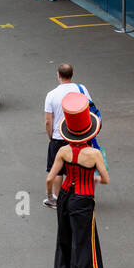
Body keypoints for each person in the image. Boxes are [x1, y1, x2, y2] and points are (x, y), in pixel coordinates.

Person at [45, 92, 111, 268]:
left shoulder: (62, 151)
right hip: (84, 204)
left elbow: (51, 178)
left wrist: (52, 196)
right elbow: (105, 180)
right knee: (84, 260)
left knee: (64, 253)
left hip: (66, 201)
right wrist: (93, 174)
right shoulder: (93, 153)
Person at [42, 64, 97, 210]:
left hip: (58, 137)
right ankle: (82, 195)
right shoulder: (82, 89)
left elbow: (48, 121)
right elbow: (89, 109)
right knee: (80, 166)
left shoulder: (51, 95)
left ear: (58, 75)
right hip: (80, 135)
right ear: (72, 74)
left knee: (58, 170)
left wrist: (51, 136)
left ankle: (57, 200)